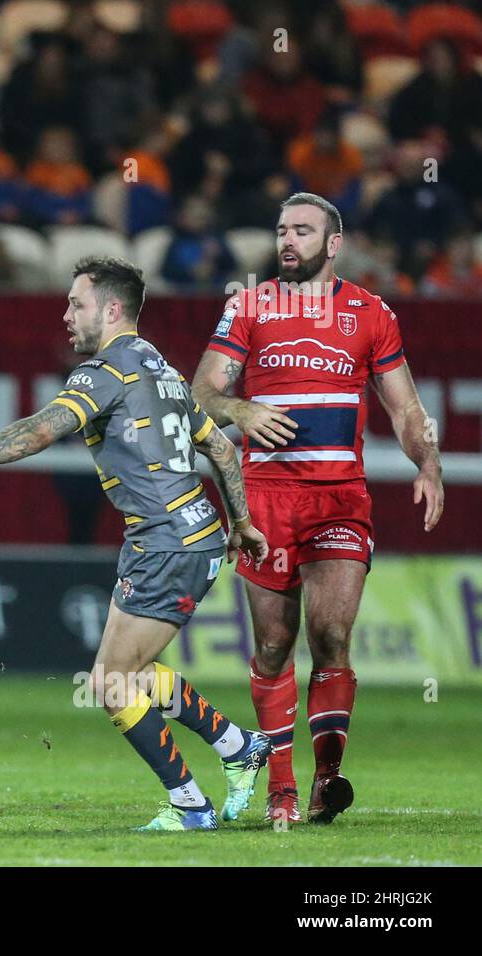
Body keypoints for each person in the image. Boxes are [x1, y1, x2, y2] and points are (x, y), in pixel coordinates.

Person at [0, 256, 273, 831]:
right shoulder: (164, 371)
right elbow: (221, 450)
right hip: (186, 535)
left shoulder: (103, 372)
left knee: (110, 682)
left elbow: (42, 429)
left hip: (167, 541)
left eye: (77, 303)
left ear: (113, 309)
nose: (67, 315)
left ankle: (191, 805)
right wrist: (242, 523)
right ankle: (235, 744)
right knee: (131, 672)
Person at [191, 193, 444, 825]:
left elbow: (406, 408)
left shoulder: (370, 313)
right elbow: (202, 391)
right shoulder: (248, 306)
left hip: (339, 498)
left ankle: (326, 780)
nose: (287, 240)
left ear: (333, 244)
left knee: (331, 633)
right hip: (265, 499)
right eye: (281, 230)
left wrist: (428, 461)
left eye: (302, 231)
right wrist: (243, 410)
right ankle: (280, 789)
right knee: (275, 645)